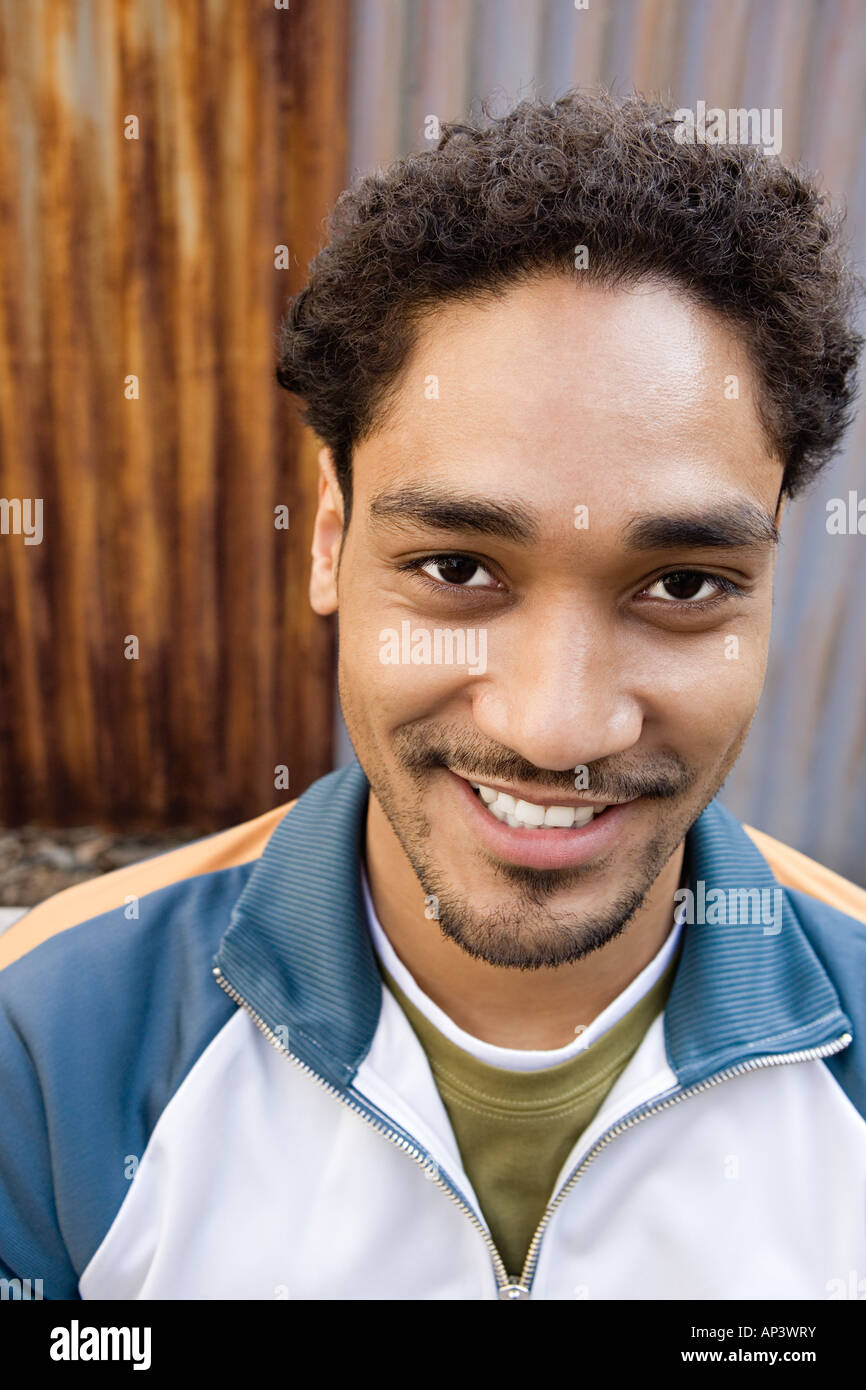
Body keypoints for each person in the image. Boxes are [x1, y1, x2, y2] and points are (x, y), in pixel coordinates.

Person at [1, 89, 865, 1301]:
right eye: (457, 569)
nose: (556, 726)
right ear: (330, 538)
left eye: (680, 584)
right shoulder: (49, 1041)